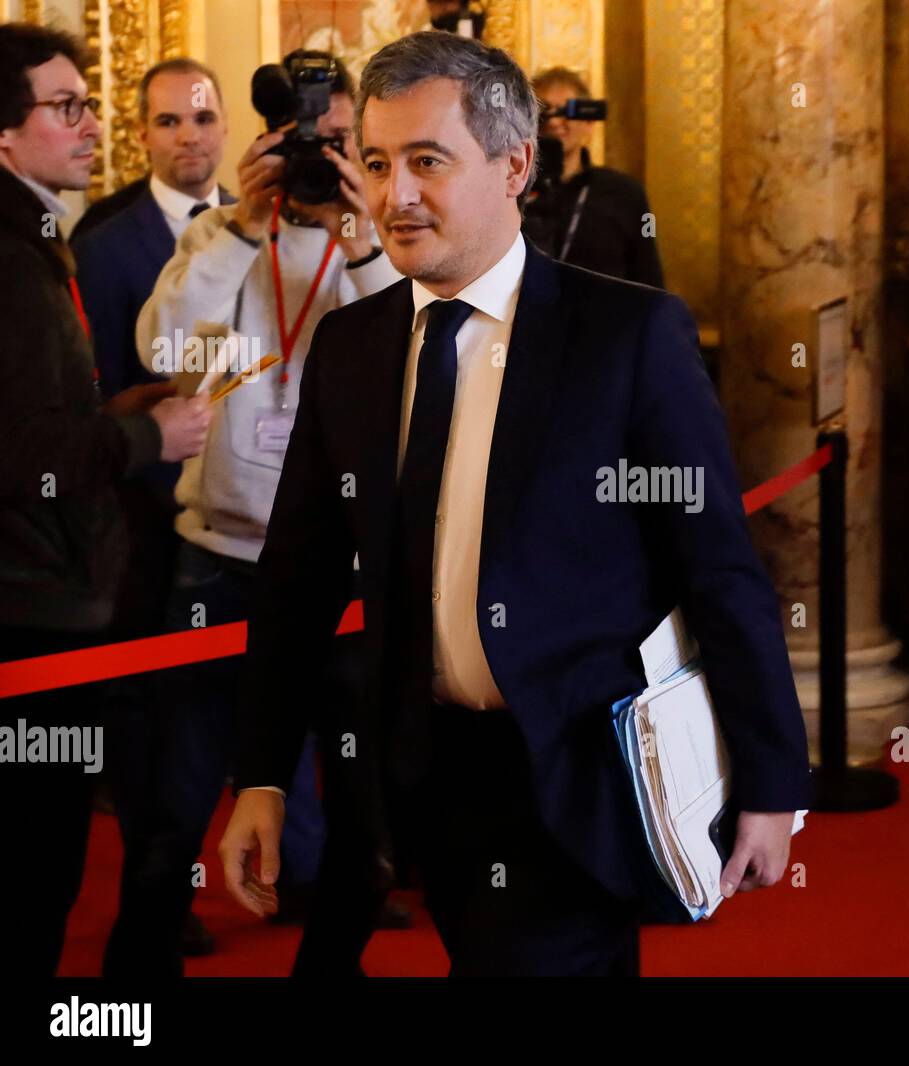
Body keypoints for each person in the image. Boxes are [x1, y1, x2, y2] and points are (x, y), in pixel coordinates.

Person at [218, 29, 811, 977]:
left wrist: (774, 778)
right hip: (420, 775)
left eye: (426, 161)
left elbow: (720, 569)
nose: (394, 195)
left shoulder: (628, 338)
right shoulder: (352, 347)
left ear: (514, 166)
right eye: (376, 162)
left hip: (580, 775)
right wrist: (258, 774)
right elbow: (299, 577)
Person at [106, 49, 404, 977]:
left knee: (361, 807)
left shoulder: (388, 243)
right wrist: (239, 227)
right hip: (221, 559)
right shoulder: (219, 235)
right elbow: (161, 345)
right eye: (306, 142)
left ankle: (329, 965)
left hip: (345, 571)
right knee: (175, 800)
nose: (322, 159)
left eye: (344, 143)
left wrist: (358, 242)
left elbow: (411, 367)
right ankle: (136, 977)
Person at [0, 22, 210, 975]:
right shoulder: (10, 254)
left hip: (50, 588)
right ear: (6, 134)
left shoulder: (32, 232)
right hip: (31, 608)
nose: (92, 125)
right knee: (35, 866)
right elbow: (19, 449)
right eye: (67, 106)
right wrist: (144, 437)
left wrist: (119, 406)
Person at [68, 58, 234, 959]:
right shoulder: (101, 242)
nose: (189, 138)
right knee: (154, 727)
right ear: (144, 135)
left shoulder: (263, 227)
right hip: (143, 524)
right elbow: (89, 395)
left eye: (202, 120)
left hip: (248, 521)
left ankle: (309, 873)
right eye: (169, 123)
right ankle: (159, 905)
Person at [521, 66, 664, 288]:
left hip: (604, 317)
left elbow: (648, 276)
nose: (555, 121)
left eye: (568, 110)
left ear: (589, 123)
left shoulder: (626, 194)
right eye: (545, 110)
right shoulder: (511, 189)